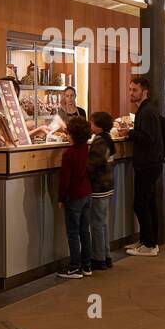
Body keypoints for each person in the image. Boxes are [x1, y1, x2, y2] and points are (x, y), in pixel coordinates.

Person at [125, 75, 164, 257]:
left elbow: (148, 138)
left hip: (147, 164)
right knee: (148, 203)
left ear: (144, 91)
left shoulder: (147, 112)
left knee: (141, 204)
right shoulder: (146, 109)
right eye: (130, 89)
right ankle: (149, 240)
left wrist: (131, 133)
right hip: (151, 163)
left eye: (135, 90)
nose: (131, 93)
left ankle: (149, 244)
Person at [56, 115, 94, 279]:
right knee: (85, 230)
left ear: (71, 134)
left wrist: (61, 198)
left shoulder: (68, 154)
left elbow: (65, 180)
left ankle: (74, 267)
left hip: (74, 195)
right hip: (87, 193)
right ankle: (87, 265)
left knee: (73, 232)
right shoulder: (86, 148)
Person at [87, 111, 116, 270]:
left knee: (97, 223)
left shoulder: (99, 142)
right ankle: (106, 255)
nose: (90, 126)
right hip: (107, 186)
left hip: (98, 187)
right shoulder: (108, 139)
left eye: (91, 123)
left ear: (98, 126)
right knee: (103, 222)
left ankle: (98, 258)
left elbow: (93, 165)